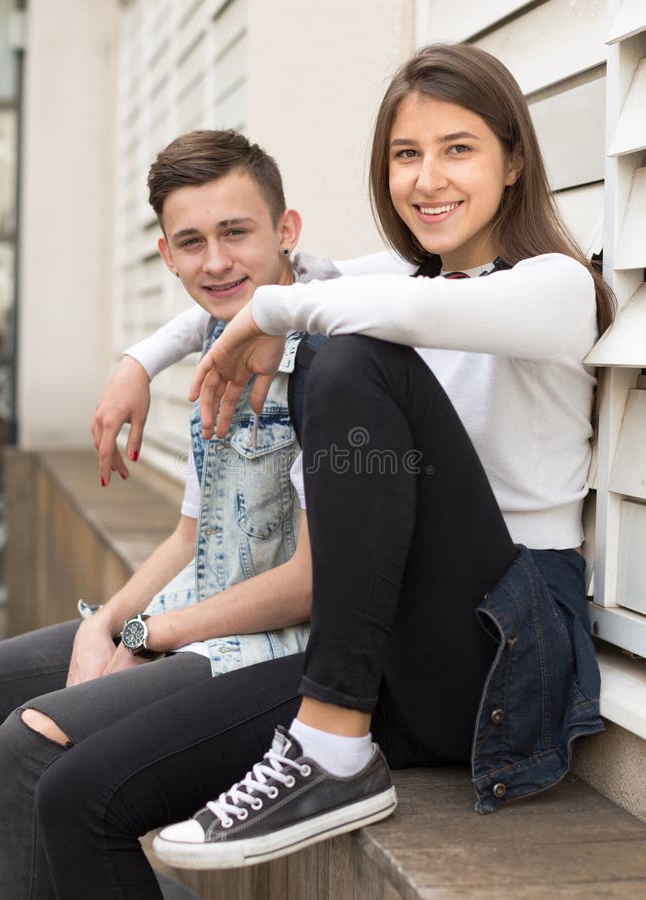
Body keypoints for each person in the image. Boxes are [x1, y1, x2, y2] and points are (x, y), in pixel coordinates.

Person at [150, 42, 612, 871]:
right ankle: (329, 737)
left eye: (457, 149)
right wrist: (138, 362)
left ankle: (330, 749)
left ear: (513, 161)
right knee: (80, 786)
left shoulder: (557, 286)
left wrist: (274, 314)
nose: (426, 179)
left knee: (350, 357)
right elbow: (278, 279)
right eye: (405, 155)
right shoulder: (401, 284)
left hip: (508, 652)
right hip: (395, 645)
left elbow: (304, 298)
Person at [0, 129, 323, 900]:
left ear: (286, 230)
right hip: (198, 611)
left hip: (273, 646)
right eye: (191, 242)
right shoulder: (218, 347)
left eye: (236, 232)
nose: (215, 261)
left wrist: (145, 635)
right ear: (166, 255)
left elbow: (309, 585)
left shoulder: (329, 357)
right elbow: (190, 535)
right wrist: (105, 624)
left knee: (30, 746)